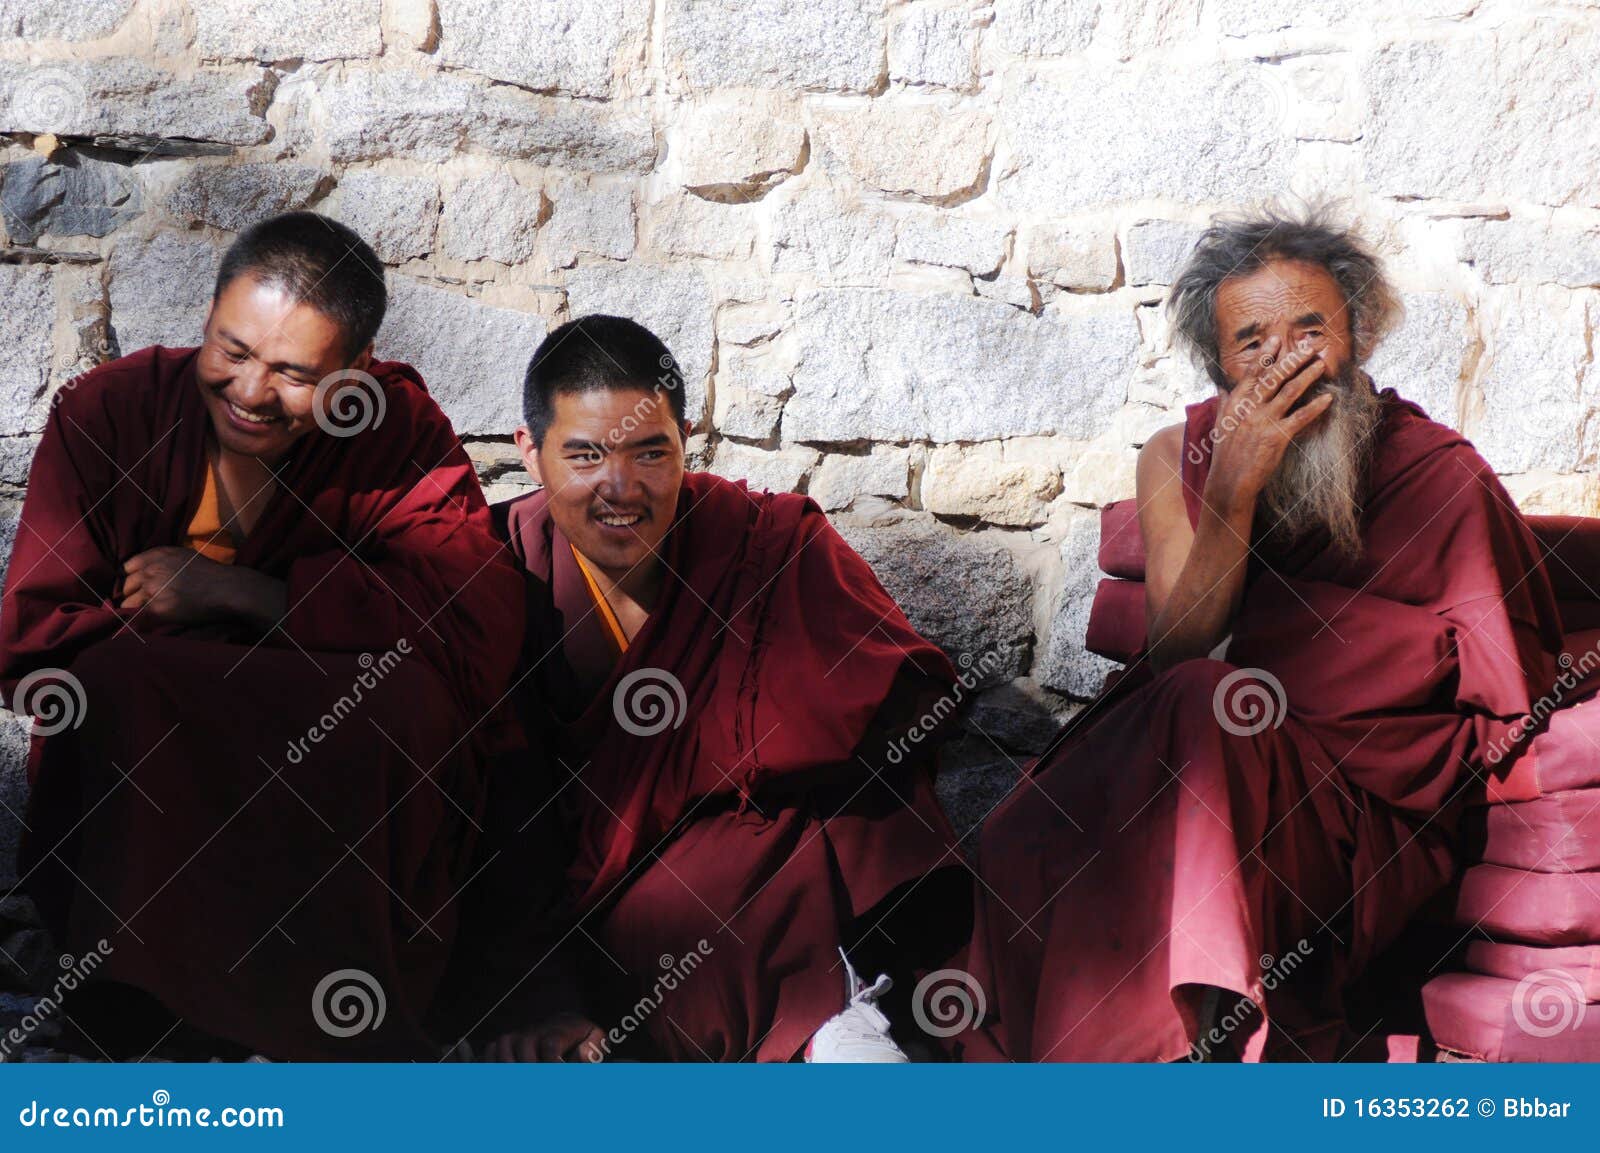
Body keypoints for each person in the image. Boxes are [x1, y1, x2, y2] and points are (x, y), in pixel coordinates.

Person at [968, 206, 1568, 1061]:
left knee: (1208, 708)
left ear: (1358, 335)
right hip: (1203, 768)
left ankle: (1185, 1055)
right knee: (1026, 822)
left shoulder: (1439, 474)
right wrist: (1233, 491)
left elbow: (1499, 690)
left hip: (1359, 815)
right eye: (1252, 342)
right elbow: (1177, 644)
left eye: (1311, 328)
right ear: (1218, 366)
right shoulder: (1178, 452)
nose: (1286, 360)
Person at [0, 212, 524, 1059]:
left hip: (327, 743)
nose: (249, 393)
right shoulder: (114, 410)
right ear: (206, 320)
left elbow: (471, 625)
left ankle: (335, 1023)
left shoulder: (394, 435)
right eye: (232, 352)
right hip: (161, 739)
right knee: (124, 683)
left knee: (407, 699)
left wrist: (252, 596)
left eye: (291, 374)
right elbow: (36, 633)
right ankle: (137, 1009)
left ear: (353, 373)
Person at [465, 315, 972, 1062]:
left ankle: (838, 1019)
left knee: (790, 841)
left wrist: (746, 766)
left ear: (686, 441)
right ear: (529, 453)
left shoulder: (760, 543)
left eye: (650, 453)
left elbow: (900, 705)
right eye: (584, 456)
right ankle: (827, 1026)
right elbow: (489, 806)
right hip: (583, 907)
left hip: (750, 862)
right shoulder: (491, 570)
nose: (620, 487)